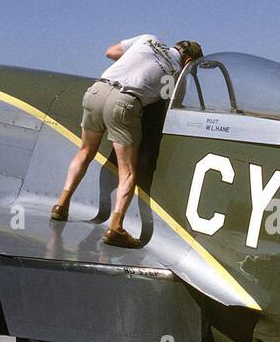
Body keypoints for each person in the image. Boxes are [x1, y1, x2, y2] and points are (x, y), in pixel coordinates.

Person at [51, 35, 203, 247]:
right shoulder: (177, 74)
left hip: (97, 90)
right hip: (124, 103)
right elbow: (167, 103)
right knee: (129, 172)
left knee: (85, 151)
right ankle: (116, 227)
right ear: (188, 61)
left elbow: (111, 52)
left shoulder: (148, 39)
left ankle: (61, 206)